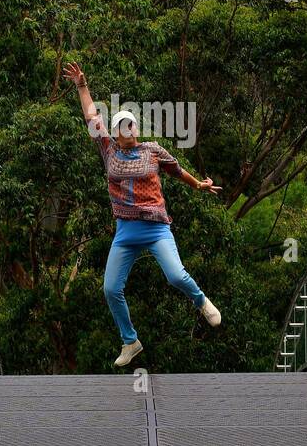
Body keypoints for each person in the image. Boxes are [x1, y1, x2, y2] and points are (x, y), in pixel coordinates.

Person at [63, 61, 223, 367]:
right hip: (125, 232)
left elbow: (178, 172)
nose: (128, 130)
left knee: (175, 275)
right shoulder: (108, 150)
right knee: (111, 288)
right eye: (122, 127)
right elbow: (91, 115)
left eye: (131, 125)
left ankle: (201, 301)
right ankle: (130, 341)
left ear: (136, 129)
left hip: (156, 228)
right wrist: (82, 85)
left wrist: (199, 186)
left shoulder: (152, 150)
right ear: (116, 133)